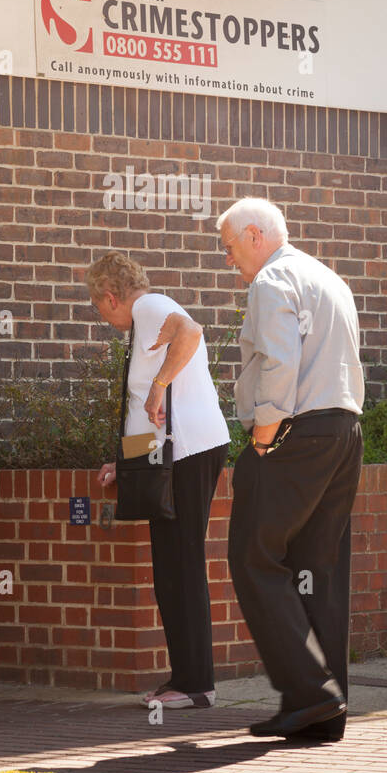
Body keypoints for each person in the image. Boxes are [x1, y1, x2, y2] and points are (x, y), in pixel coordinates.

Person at [217, 197, 365, 741]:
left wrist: (262, 436)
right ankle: (325, 711)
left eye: (229, 247)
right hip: (345, 431)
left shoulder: (272, 280)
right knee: (317, 567)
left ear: (255, 234)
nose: (228, 260)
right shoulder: (329, 279)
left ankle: (310, 692)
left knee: (253, 556)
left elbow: (280, 362)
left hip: (292, 435)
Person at [87, 253, 230, 709]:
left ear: (111, 297)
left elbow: (191, 333)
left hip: (189, 451)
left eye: (99, 306)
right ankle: (184, 678)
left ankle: (197, 685)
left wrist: (158, 385)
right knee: (171, 568)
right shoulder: (146, 319)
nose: (103, 315)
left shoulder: (149, 307)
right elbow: (145, 424)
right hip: (174, 453)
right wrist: (122, 463)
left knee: (181, 565)